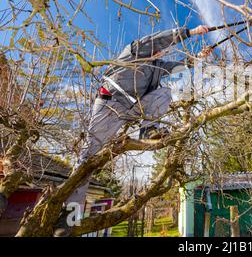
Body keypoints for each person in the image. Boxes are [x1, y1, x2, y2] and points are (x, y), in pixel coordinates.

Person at [54, 25, 212, 236]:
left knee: (164, 92)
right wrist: (190, 33)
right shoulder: (135, 50)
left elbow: (180, 66)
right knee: (88, 154)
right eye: (160, 49)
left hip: (133, 108)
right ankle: (68, 215)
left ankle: (148, 130)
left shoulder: (158, 67)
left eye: (162, 52)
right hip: (110, 103)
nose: (160, 52)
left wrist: (198, 58)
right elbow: (160, 39)